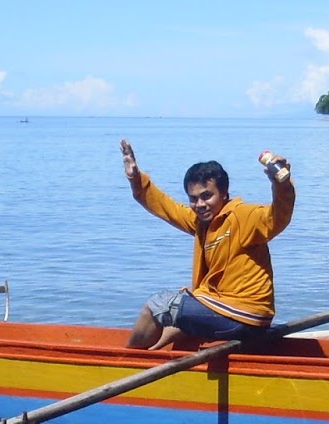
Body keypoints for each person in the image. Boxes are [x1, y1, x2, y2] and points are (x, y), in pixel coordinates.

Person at [120, 139, 294, 350]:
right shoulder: (201, 222)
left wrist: (281, 184)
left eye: (207, 196)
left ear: (224, 194)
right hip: (225, 310)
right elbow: (166, 207)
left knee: (158, 304)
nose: (200, 205)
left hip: (245, 314)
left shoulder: (243, 216)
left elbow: (278, 216)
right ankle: (155, 354)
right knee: (180, 317)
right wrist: (136, 179)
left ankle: (124, 361)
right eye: (193, 199)